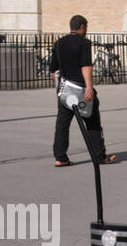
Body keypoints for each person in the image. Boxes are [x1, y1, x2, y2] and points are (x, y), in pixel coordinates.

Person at [50, 14, 117, 166]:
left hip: (65, 90)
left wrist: (59, 88)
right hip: (80, 88)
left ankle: (60, 157)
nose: (86, 30)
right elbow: (86, 66)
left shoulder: (59, 43)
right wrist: (89, 87)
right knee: (92, 122)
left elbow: (53, 71)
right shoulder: (84, 43)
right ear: (82, 27)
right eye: (86, 27)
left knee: (62, 124)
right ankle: (99, 156)